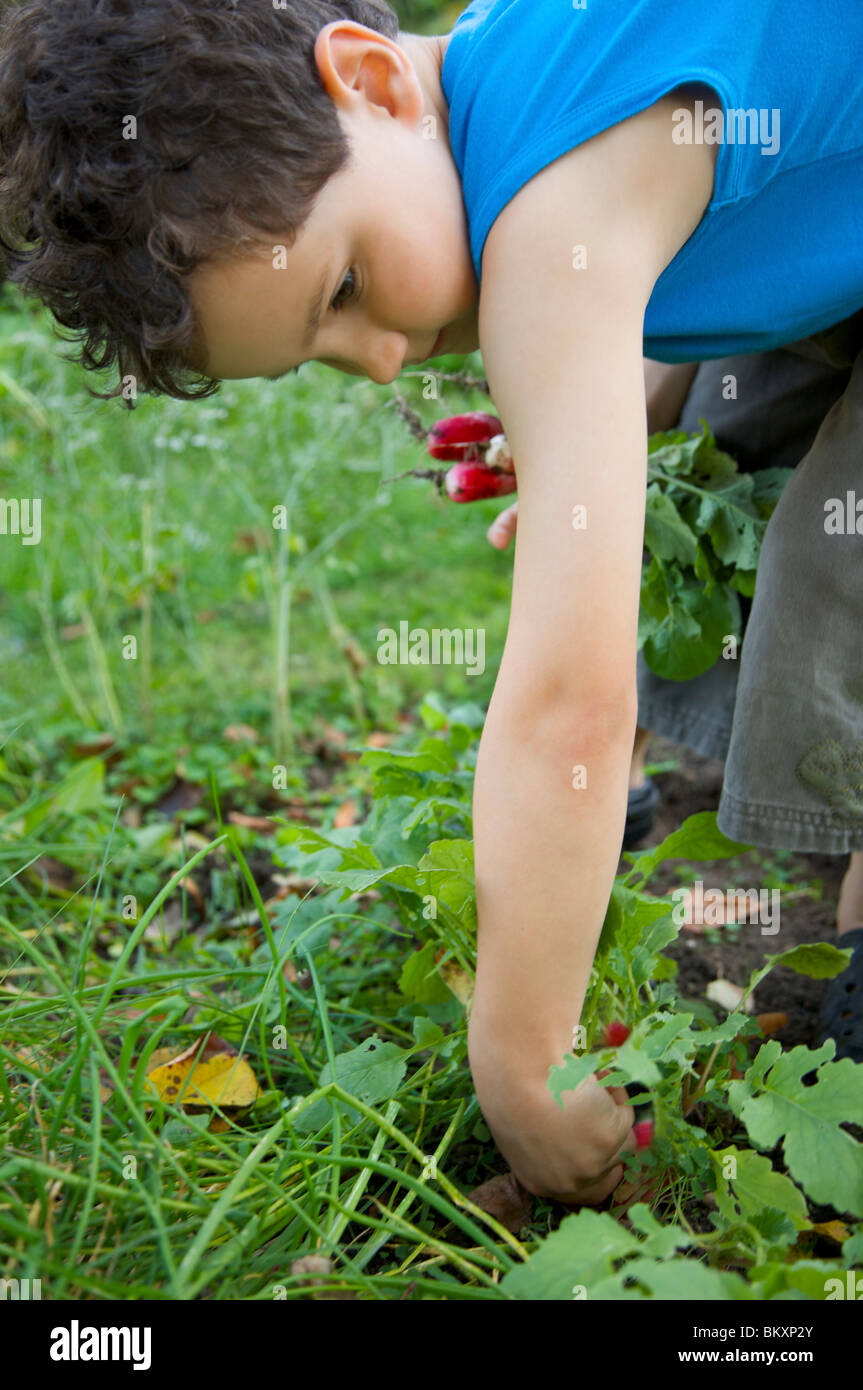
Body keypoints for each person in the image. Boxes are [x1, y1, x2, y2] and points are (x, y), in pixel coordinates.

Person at [1, 0, 862, 1208]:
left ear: (371, 80)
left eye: (346, 285)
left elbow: (568, 710)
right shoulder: (527, 65)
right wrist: (617, 425)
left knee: (846, 593)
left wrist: (519, 1058)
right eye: (319, 354)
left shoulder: (541, 221)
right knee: (751, 442)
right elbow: (718, 193)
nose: (386, 356)